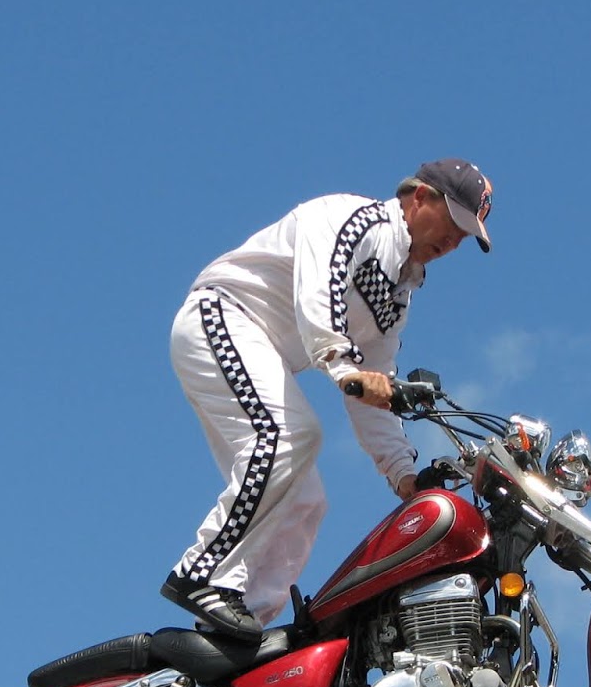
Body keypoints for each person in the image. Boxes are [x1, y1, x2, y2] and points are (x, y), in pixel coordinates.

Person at [162, 158, 494, 643]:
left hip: (262, 349)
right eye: (454, 223)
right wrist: (341, 364)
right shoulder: (351, 219)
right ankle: (204, 574)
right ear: (420, 197)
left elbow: (376, 384)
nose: (454, 241)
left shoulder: (399, 290)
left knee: (306, 500)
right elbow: (318, 292)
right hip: (221, 315)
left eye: (466, 235)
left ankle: (234, 634)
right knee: (289, 437)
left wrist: (404, 474)